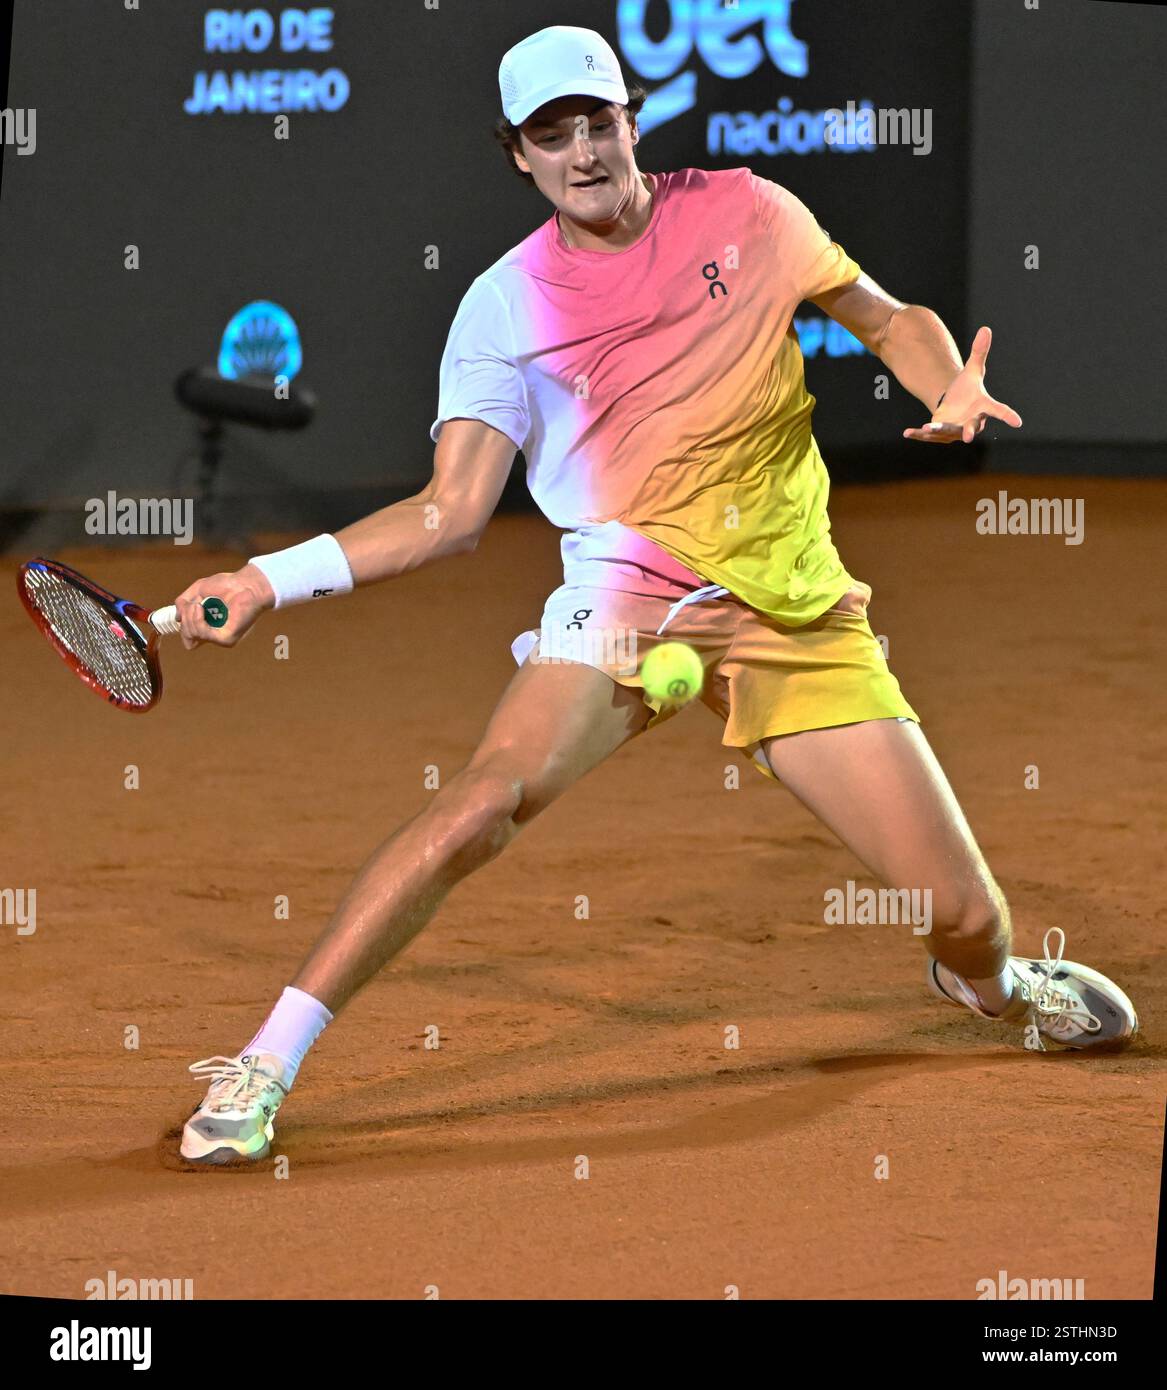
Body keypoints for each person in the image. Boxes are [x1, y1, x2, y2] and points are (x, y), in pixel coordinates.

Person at [175, 26, 1137, 1164]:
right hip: (630, 596)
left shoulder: (751, 213)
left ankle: (996, 983)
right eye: (552, 134)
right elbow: (448, 514)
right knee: (479, 805)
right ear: (518, 157)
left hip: (793, 605)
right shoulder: (504, 308)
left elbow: (884, 319)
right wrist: (265, 579)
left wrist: (946, 378)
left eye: (598, 120)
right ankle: (265, 1061)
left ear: (634, 118)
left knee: (972, 917)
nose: (582, 150)